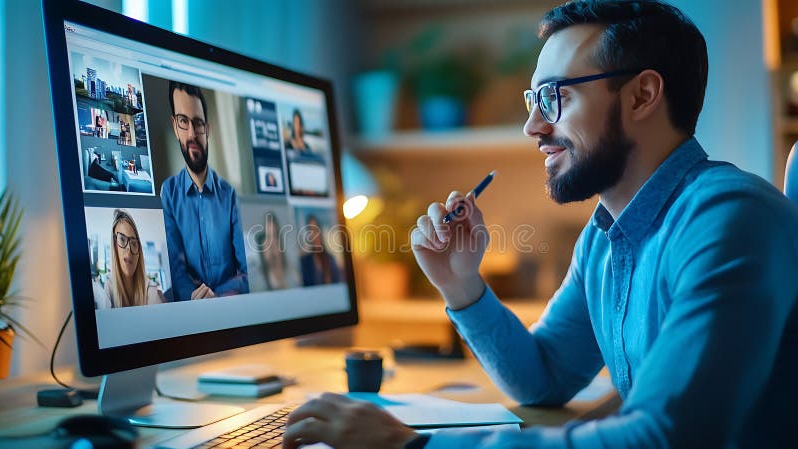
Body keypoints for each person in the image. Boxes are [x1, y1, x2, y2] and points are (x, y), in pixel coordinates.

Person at [284, 1, 798, 448]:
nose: (533, 126)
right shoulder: (605, 238)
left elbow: (665, 437)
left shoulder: (730, 220)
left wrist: (413, 445)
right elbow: (544, 377)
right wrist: (460, 284)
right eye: (534, 101)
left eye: (555, 96)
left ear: (642, 96)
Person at [160, 81, 249, 301]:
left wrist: (215, 297)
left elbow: (248, 271)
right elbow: (176, 272)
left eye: (198, 123)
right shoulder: (169, 194)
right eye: (183, 121)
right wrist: (195, 299)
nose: (191, 134)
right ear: (174, 126)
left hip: (232, 311)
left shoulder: (229, 194)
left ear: (207, 129)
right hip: (192, 318)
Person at [97, 209, 165, 308]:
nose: (129, 249)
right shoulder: (107, 288)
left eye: (133, 243)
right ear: (114, 246)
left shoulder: (150, 290)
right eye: (122, 239)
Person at [299, 214, 340, 286]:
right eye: (310, 232)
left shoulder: (330, 260)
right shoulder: (304, 262)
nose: (314, 235)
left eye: (315, 230)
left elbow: (337, 284)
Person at [254, 211, 290, 290]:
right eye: (268, 237)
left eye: (275, 236)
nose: (272, 243)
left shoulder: (293, 274)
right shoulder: (257, 283)